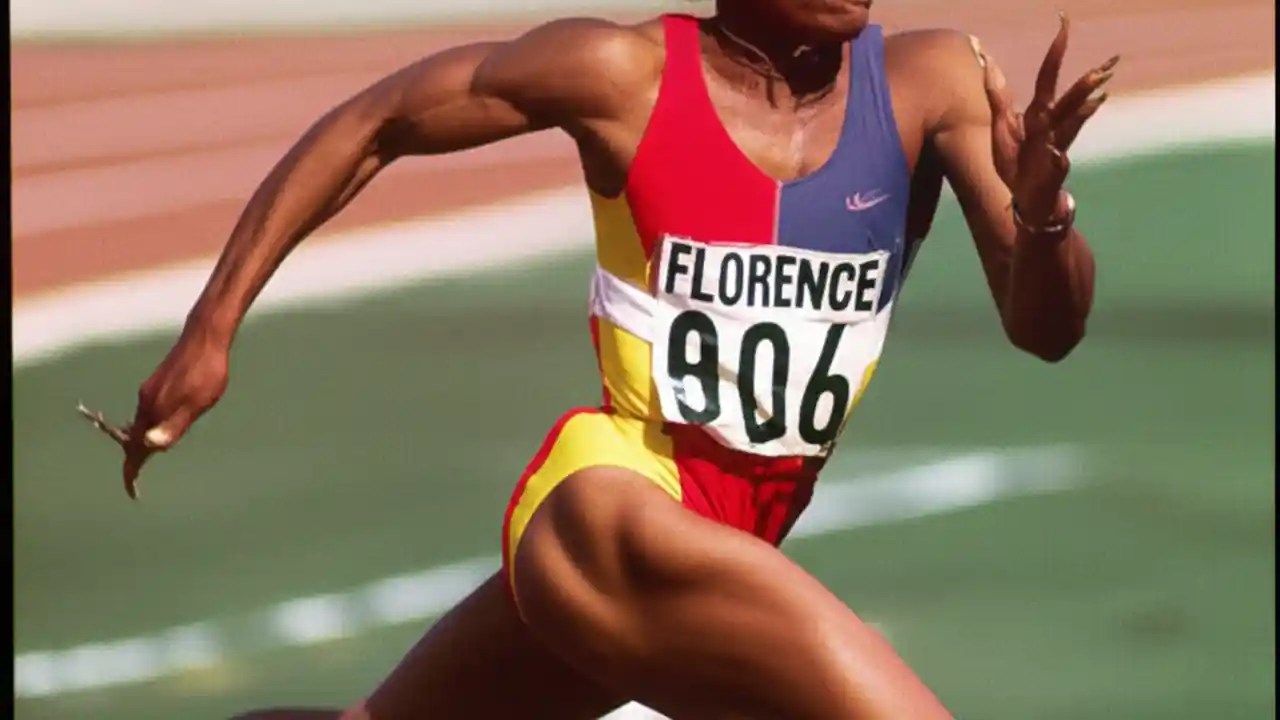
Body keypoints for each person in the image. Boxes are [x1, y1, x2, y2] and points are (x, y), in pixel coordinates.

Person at [81, 0, 1112, 717]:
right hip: (605, 508)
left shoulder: (927, 83)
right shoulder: (623, 75)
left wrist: (1041, 211)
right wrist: (210, 329)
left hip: (737, 536)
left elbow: (1047, 328)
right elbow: (378, 119)